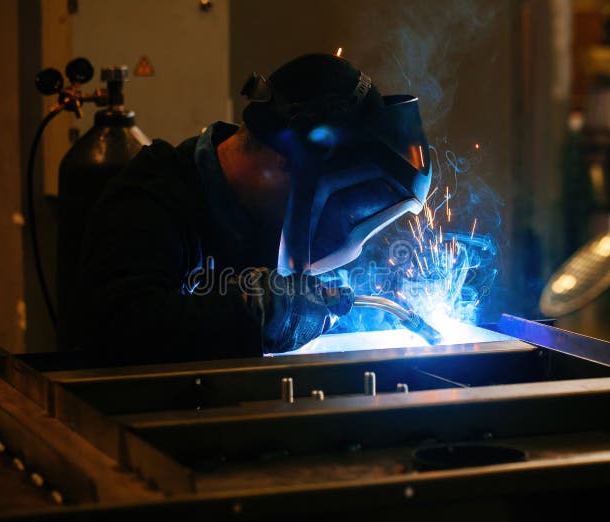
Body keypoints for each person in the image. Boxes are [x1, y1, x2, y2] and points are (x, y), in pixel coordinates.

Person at [76, 53, 431, 361]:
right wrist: (259, 315)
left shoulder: (268, 217)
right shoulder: (147, 204)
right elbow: (119, 329)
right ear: (285, 163)